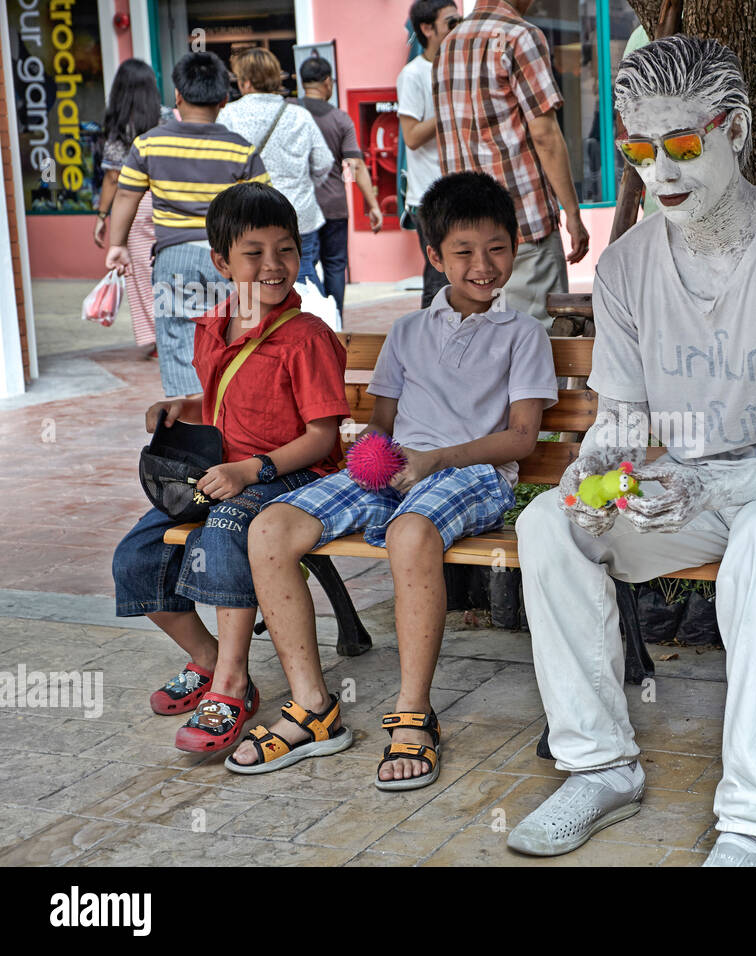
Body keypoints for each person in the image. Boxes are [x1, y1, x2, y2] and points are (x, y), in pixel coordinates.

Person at [507, 36, 756, 867]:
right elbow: (619, 420)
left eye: (684, 144)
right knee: (550, 523)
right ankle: (598, 766)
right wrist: (593, 478)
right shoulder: (626, 267)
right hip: (691, 488)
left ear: (738, 132)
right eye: (639, 150)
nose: (662, 171)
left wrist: (713, 490)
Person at [235, 172, 557, 787]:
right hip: (400, 471)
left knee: (410, 534)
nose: (483, 265)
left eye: (497, 249)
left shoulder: (524, 334)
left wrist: (438, 459)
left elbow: (521, 438)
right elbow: (382, 426)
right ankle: (313, 709)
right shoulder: (408, 332)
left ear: (515, 250)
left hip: (478, 473)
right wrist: (372, 457)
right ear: (434, 257)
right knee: (271, 527)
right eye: (463, 252)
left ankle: (414, 714)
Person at [111, 182, 350, 754]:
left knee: (223, 535)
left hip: (292, 476)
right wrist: (181, 408)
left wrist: (252, 470)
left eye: (286, 250)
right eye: (254, 252)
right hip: (223, 473)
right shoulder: (214, 327)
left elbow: (322, 438)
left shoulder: (306, 337)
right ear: (220, 261)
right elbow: (224, 399)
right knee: (135, 558)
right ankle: (208, 658)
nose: (274, 266)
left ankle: (233, 684)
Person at [106, 52, 270, 398]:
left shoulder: (149, 144)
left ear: (177, 95)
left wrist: (117, 245)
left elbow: (125, 198)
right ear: (225, 99)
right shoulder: (241, 150)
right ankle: (230, 418)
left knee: (180, 341)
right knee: (236, 339)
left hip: (173, 260)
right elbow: (263, 210)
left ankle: (195, 426)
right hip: (229, 261)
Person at [433, 0, 589, 324]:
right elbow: (545, 135)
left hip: (464, 228)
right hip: (522, 224)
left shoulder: (449, 43)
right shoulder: (519, 36)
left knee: (483, 342)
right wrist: (572, 213)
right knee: (537, 343)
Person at [217, 48, 333, 293]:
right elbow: (323, 161)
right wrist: (304, 182)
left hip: (247, 218)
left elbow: (219, 168)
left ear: (246, 82)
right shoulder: (300, 116)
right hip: (299, 215)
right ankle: (308, 328)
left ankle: (258, 331)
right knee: (303, 282)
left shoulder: (228, 116)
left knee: (250, 286)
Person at [292, 55, 385, 316]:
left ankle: (310, 319)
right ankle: (335, 321)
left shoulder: (291, 112)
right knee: (334, 266)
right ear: (327, 82)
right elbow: (356, 165)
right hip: (333, 205)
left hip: (299, 207)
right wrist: (373, 205)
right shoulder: (340, 119)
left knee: (303, 265)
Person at [94, 59, 168, 354]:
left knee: (143, 275)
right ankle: (182, 331)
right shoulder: (167, 118)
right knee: (170, 270)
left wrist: (102, 216)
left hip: (134, 205)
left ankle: (160, 341)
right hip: (166, 201)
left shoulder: (118, 124)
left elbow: (114, 177)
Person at [398, 0, 459, 307]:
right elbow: (411, 136)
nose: (457, 28)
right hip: (430, 197)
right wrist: (449, 111)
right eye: (451, 23)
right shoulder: (413, 75)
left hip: (461, 191)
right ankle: (427, 347)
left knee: (462, 277)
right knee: (439, 279)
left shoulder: (461, 67)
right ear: (426, 28)